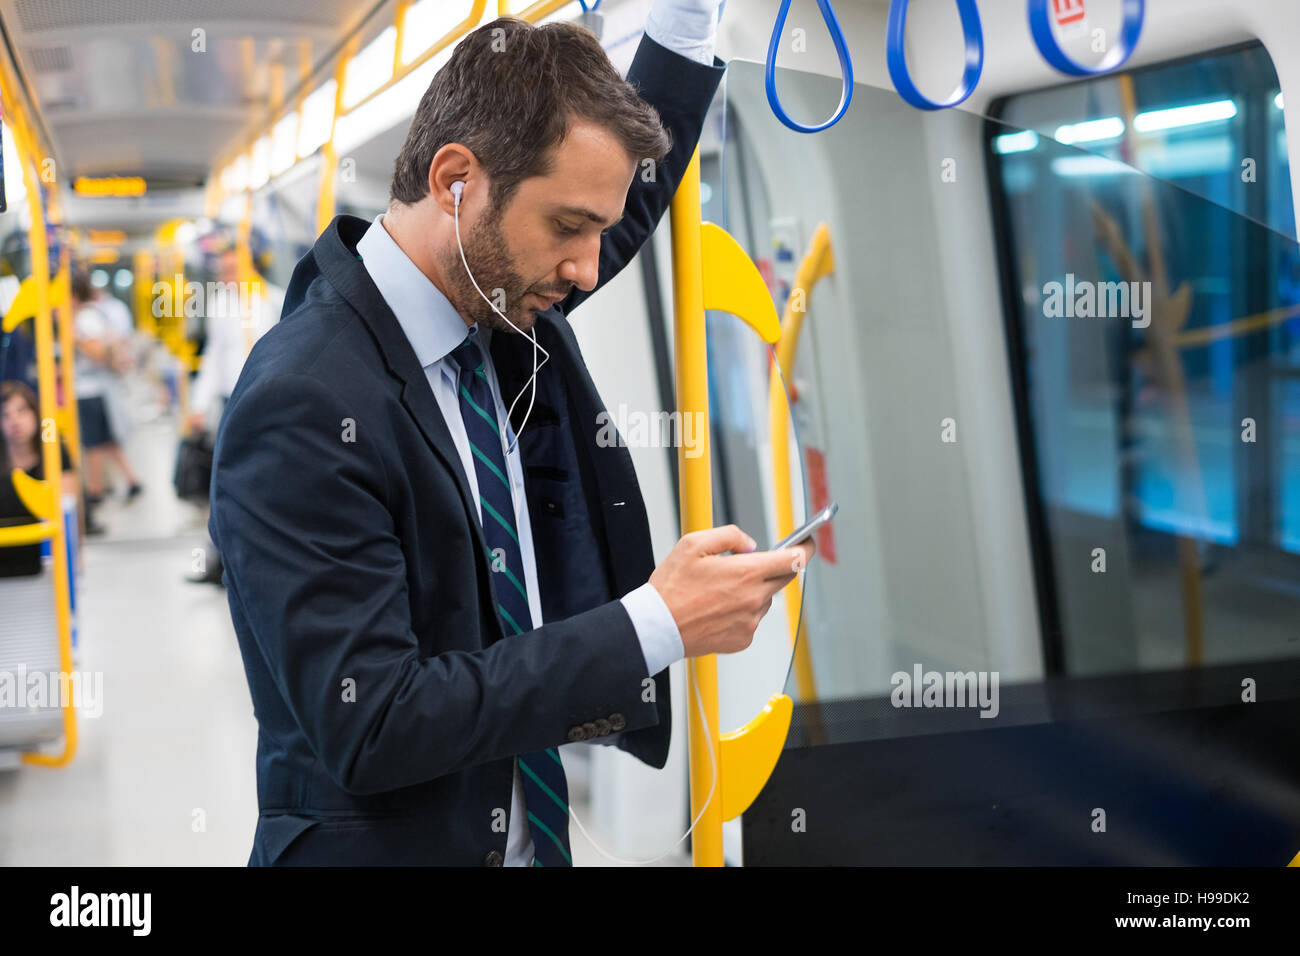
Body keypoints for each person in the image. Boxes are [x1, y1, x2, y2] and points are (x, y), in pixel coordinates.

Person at [210, 4, 813, 867]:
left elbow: (618, 200)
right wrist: (655, 623)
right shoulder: (303, 403)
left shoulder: (493, 300)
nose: (586, 269)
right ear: (456, 181)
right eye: (569, 228)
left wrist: (684, 24)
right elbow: (373, 722)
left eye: (595, 233)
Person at [186, 240, 283, 585]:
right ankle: (218, 559)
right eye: (222, 272)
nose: (225, 278)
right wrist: (199, 404)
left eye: (231, 270)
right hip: (231, 403)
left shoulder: (273, 301)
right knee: (224, 480)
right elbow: (214, 357)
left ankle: (261, 559)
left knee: (266, 481)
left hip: (268, 402)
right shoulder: (221, 304)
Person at [0, 380, 77, 577]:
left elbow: (67, 507)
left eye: (21, 411)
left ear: (35, 413)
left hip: (44, 560)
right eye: (5, 415)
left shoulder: (53, 452)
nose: (15, 421)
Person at [90, 284, 144, 502]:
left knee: (95, 441)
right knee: (108, 438)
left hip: (97, 388)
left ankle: (95, 492)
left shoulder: (89, 318)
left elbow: (109, 349)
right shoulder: (99, 314)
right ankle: (130, 481)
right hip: (104, 387)